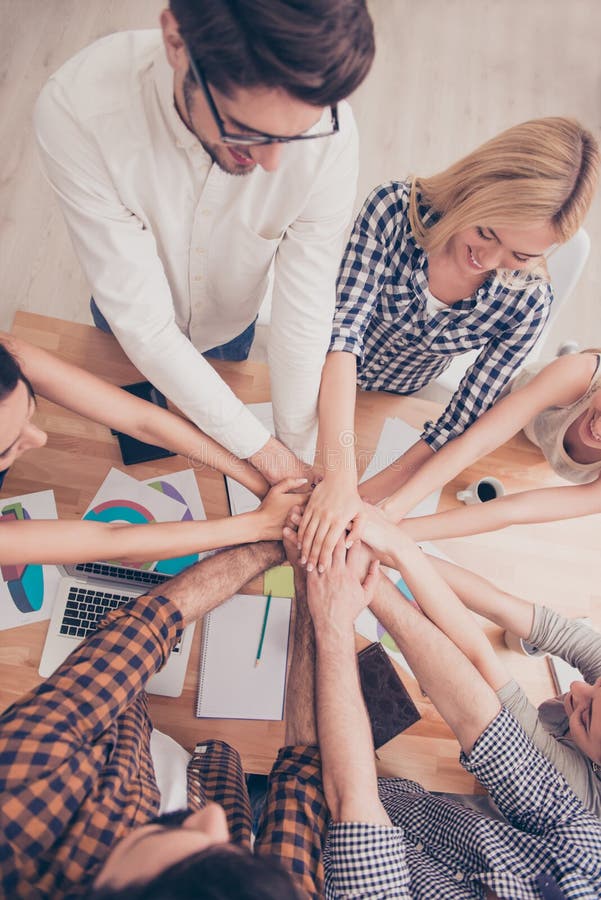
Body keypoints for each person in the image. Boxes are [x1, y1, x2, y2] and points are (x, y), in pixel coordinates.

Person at [33, 0, 375, 484]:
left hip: (230, 321)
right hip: (126, 325)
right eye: (246, 133)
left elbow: (305, 311)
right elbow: (145, 327)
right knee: (131, 440)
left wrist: (295, 460)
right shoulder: (79, 111)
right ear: (177, 44)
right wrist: (268, 456)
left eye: (295, 137)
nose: (273, 164)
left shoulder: (331, 135)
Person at [298, 117, 600, 572]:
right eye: (486, 232)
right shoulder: (392, 211)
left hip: (402, 388)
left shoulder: (527, 302)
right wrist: (339, 477)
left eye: (520, 255)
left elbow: (459, 422)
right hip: (321, 375)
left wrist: (369, 503)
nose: (488, 260)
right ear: (472, 187)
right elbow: (342, 337)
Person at [284, 515, 601, 897]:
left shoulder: (582, 796)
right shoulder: (588, 857)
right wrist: (373, 569)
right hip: (398, 798)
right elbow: (487, 727)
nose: (576, 686)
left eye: (587, 715)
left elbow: (352, 806)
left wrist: (334, 616)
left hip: (305, 861)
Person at [0, 539, 330, 899]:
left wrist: (278, 545)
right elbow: (303, 772)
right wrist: (303, 568)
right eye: (237, 852)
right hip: (213, 764)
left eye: (197, 859)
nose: (216, 818)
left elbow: (147, 626)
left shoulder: (22, 790)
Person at [0, 336, 305, 566]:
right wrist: (257, 525)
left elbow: (142, 421)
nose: (40, 438)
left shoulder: (6, 358)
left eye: (29, 408)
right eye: (8, 448)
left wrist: (257, 480)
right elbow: (112, 540)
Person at [419, 554, 601, 817]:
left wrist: (401, 556)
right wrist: (403, 552)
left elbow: (482, 660)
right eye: (596, 683)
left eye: (588, 714)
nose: (576, 686)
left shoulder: (577, 798)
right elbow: (499, 604)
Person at [357, 348, 601, 533]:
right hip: (527, 397)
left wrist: (392, 532)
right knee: (479, 426)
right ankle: (564, 355)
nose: (597, 428)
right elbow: (474, 443)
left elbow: (513, 510)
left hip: (543, 442)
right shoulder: (578, 374)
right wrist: (392, 510)